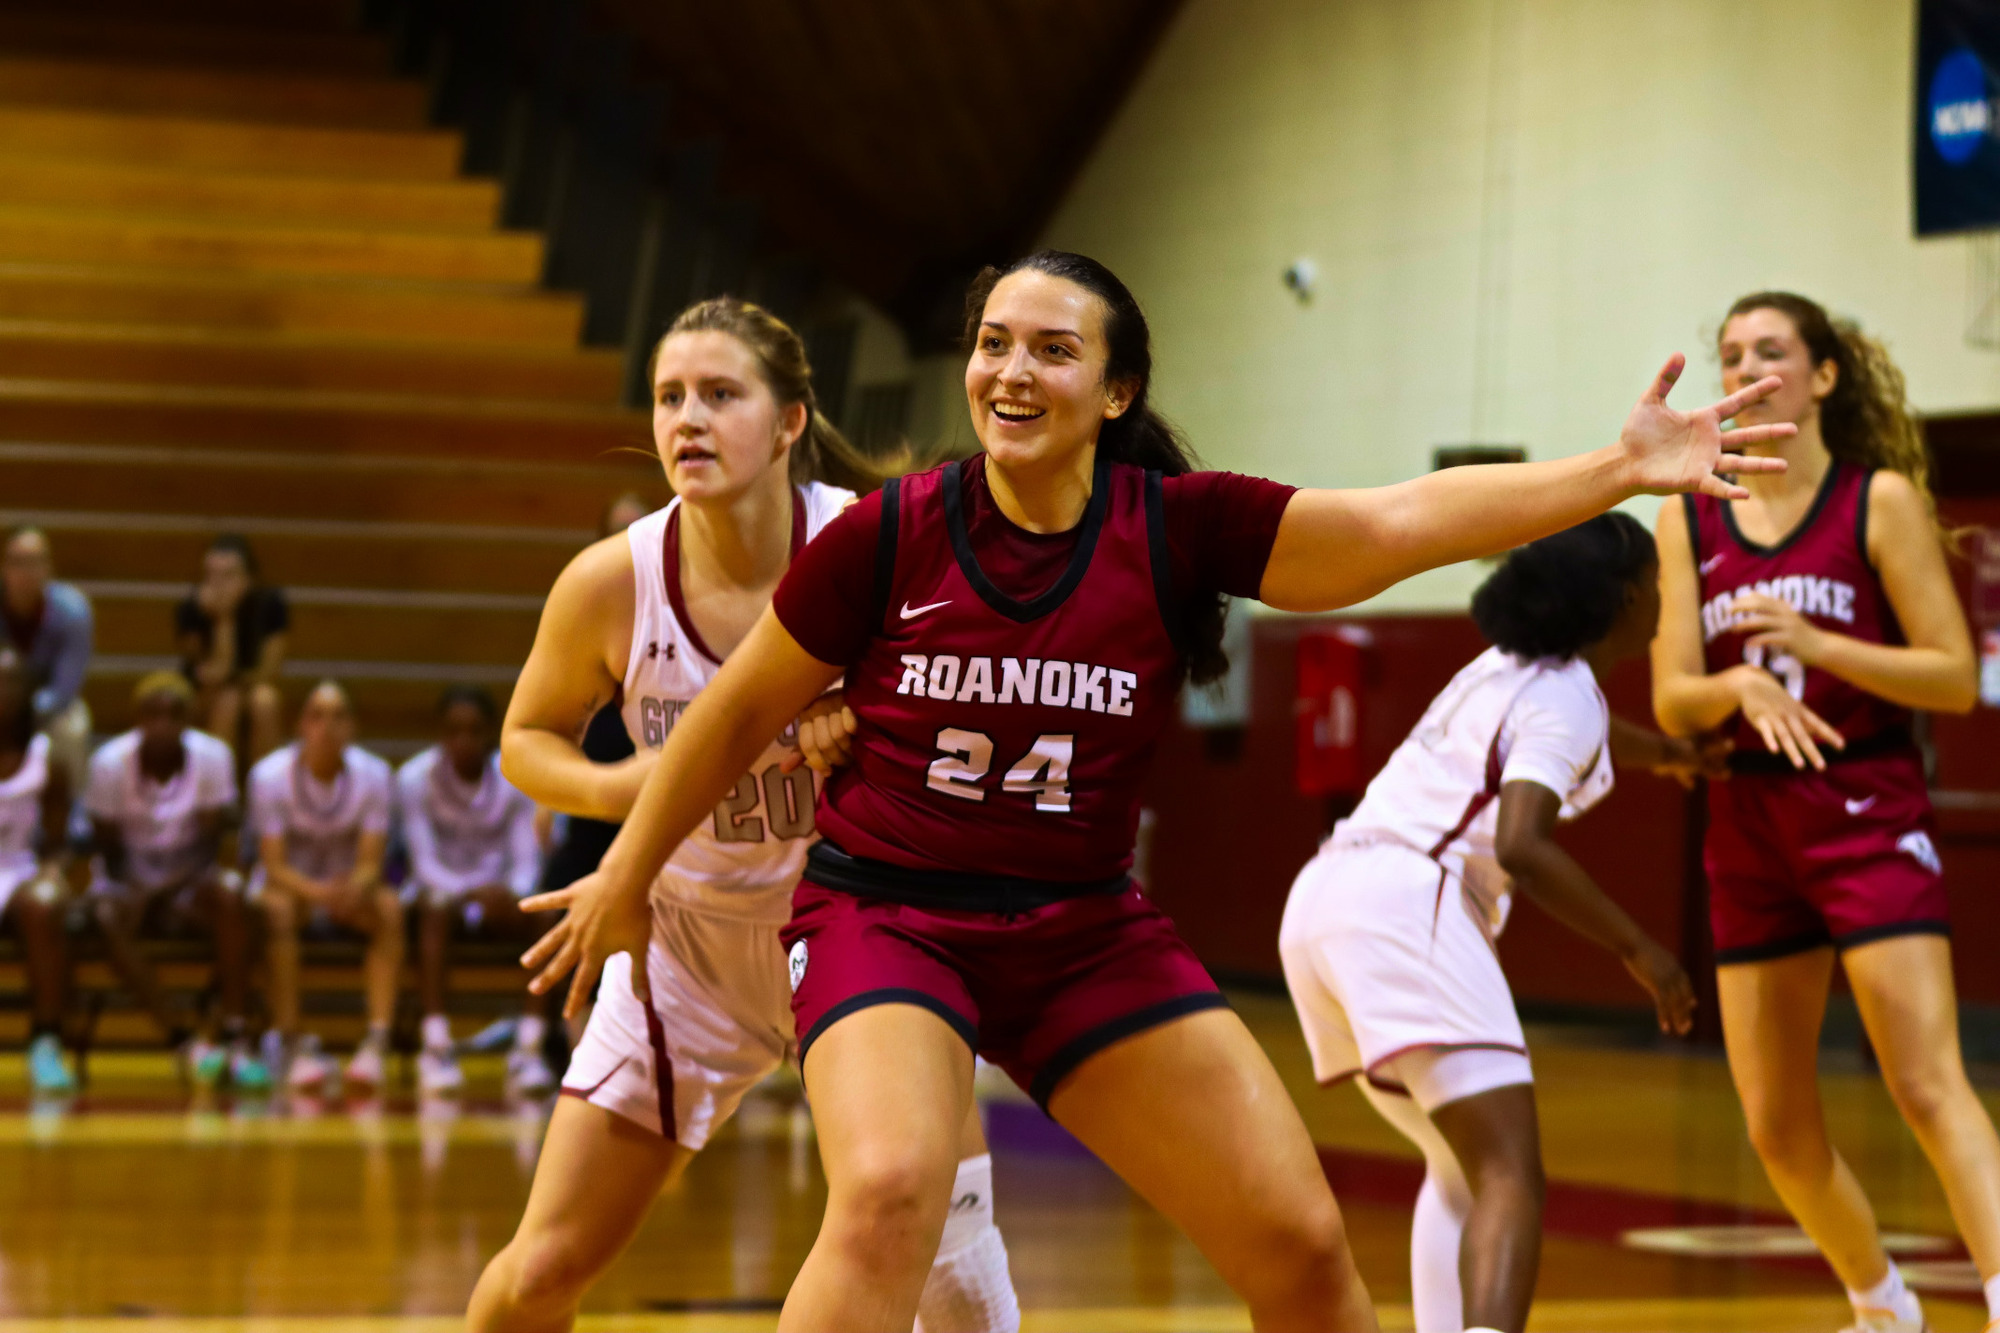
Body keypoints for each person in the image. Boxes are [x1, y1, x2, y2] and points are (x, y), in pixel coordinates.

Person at [523, 249, 1792, 1331]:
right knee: (892, 1189)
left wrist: (1615, 469)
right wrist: (626, 875)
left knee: (1297, 1244)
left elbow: (1403, 519)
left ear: (1114, 388)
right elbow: (733, 711)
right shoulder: (891, 530)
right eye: (991, 345)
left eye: (1051, 350)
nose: (1010, 372)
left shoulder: (1178, 527)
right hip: (888, 916)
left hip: (1079, 931)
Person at [468, 297, 1018, 1333]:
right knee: (539, 1272)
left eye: (720, 395)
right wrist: (627, 791)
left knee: (942, 1255)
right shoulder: (612, 579)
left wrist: (858, 704)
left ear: (789, 422)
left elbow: (976, 699)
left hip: (868, 934)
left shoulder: (873, 545)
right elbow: (524, 739)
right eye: (671, 396)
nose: (687, 419)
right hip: (688, 952)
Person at [1652, 291, 2000, 1333]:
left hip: (1862, 805)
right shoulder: (1687, 509)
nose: (1745, 367)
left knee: (1927, 1085)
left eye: (1769, 350)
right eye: (1728, 354)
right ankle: (1879, 1305)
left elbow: (1948, 677)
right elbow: (1672, 693)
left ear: (1822, 376)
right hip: (1749, 827)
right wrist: (1734, 689)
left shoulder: (1874, 500)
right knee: (1772, 1121)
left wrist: (1815, 649)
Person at [1280, 514, 1709, 1333]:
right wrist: (1642, 948)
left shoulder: (1505, 669)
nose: (1664, 595)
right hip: (1408, 901)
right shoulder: (1569, 695)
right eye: (1658, 581)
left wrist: (1672, 756)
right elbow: (1522, 841)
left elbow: (1575, 739)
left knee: (1464, 1169)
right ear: (1627, 597)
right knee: (1511, 1167)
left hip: (1323, 903)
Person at [85, 672, 265, 1090]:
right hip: (128, 879)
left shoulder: (213, 757)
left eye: (173, 713)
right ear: (137, 718)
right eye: (153, 713)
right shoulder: (109, 763)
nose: (163, 722)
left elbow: (209, 843)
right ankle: (181, 1034)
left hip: (186, 879)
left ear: (190, 718)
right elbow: (107, 850)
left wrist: (165, 894)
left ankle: (234, 1028)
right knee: (105, 917)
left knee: (237, 899)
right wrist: (142, 894)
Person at [397, 684, 553, 1097]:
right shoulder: (413, 779)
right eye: (454, 730)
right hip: (441, 899)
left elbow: (526, 862)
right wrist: (472, 895)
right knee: (432, 909)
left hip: (501, 899)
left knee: (549, 914)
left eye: (474, 730)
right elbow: (423, 864)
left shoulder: (516, 777)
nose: (463, 740)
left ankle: (529, 1047)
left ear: (491, 732)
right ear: (440, 733)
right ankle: (436, 1045)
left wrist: (508, 894)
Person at [249, 680, 400, 1094]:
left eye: (338, 716)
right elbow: (273, 865)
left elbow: (372, 861)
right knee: (276, 910)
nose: (327, 726)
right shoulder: (269, 776)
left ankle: (376, 1041)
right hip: (293, 890)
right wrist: (320, 895)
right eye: (317, 715)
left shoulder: (376, 774)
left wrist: (355, 887)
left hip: (347, 889)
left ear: (352, 727)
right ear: (301, 725)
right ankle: (291, 1041)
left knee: (388, 908)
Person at [0, 656, 76, 1094]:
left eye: (11, 681)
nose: (3, 690)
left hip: (19, 869)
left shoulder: (48, 758)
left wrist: (53, 872)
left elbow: (60, 842)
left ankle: (46, 1040)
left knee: (44, 904)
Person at [176, 533, 288, 767]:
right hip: (202, 695)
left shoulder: (270, 604)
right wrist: (224, 621)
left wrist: (238, 683)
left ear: (249, 578)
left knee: (264, 700)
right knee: (227, 701)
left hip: (251, 689)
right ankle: (217, 792)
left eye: (228, 575)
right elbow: (212, 675)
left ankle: (265, 792)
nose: (218, 584)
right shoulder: (191, 609)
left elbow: (270, 673)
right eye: (211, 575)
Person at [2, 527, 93, 793]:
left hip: (49, 705)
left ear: (48, 568)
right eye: (17, 562)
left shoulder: (73, 611)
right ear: (4, 567)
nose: (25, 571)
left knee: (73, 730)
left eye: (34, 562)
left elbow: (66, 686)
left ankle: (74, 820)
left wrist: (24, 714)